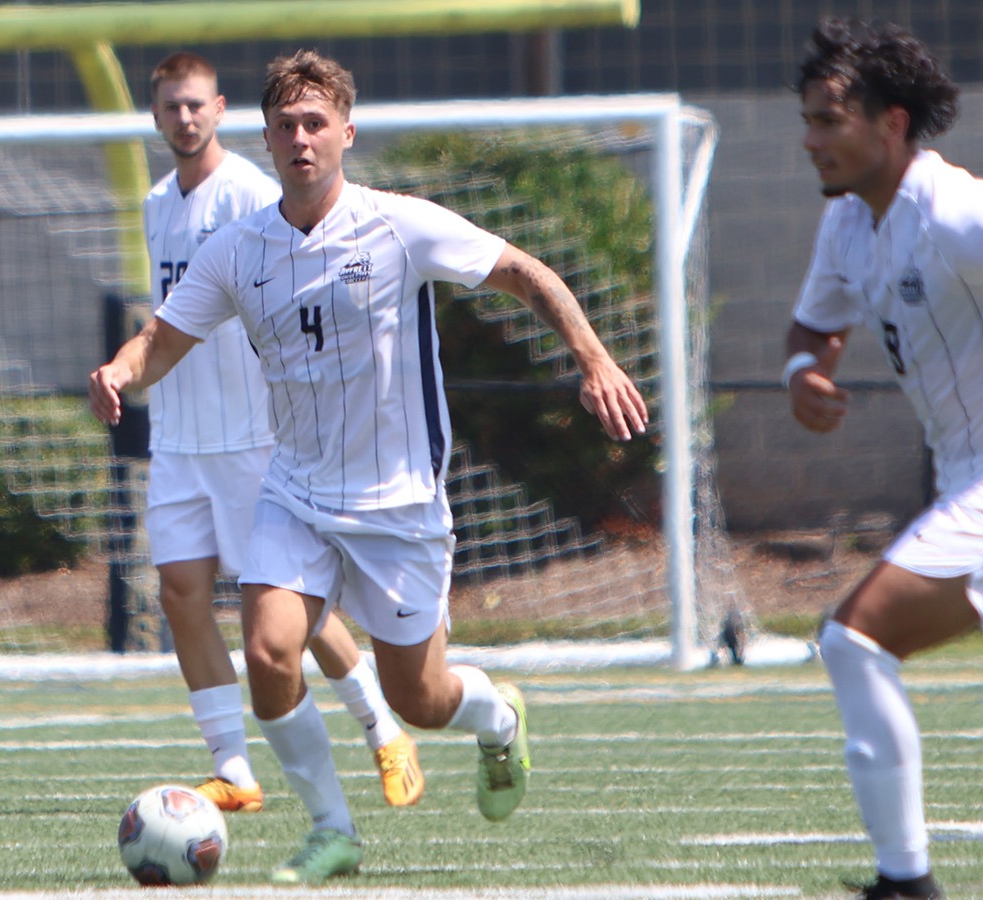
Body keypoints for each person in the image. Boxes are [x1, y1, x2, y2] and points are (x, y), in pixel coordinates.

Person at [91, 50, 647, 883]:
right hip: (295, 492)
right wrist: (121, 372)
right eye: (286, 126)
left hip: (398, 505)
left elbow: (522, 274)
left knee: (421, 700)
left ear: (347, 132)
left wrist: (593, 358)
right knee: (271, 651)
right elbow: (166, 337)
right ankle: (332, 828)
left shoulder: (396, 224)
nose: (301, 139)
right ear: (269, 140)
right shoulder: (240, 249)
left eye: (316, 123)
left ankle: (497, 719)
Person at [138, 50, 423, 814]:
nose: (184, 118)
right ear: (156, 114)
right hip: (176, 438)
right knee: (180, 594)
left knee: (302, 614)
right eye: (171, 107)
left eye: (196, 104)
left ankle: (383, 728)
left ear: (221, 109)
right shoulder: (156, 201)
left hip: (248, 436)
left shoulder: (250, 196)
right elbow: (169, 317)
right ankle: (234, 767)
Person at [785, 17, 983, 900]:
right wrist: (804, 372)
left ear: (891, 122)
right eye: (807, 120)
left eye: (829, 121)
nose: (810, 140)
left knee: (854, 638)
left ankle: (906, 883)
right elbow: (816, 324)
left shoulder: (957, 210)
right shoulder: (848, 224)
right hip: (968, 477)